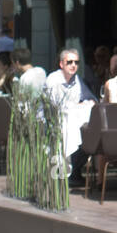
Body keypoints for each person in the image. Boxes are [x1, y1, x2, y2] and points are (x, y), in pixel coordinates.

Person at [44, 49, 97, 186]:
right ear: (62, 64)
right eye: (69, 62)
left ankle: (74, 172)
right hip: (53, 122)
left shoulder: (77, 80)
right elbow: (55, 105)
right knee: (67, 132)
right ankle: (61, 174)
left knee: (89, 133)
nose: (73, 65)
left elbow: (90, 99)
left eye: (76, 62)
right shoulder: (53, 79)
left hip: (72, 119)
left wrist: (83, 103)